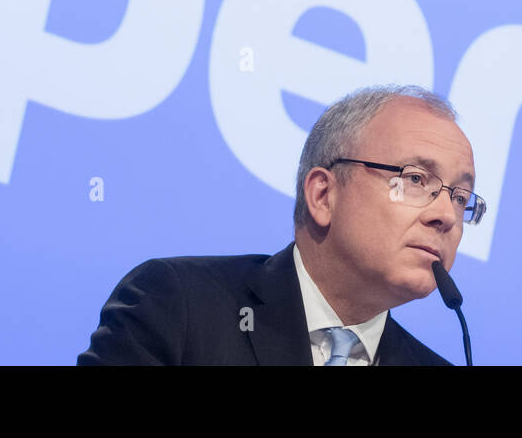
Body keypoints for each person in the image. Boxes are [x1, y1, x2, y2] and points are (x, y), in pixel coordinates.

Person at [76, 84, 486, 365]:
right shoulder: (179, 308)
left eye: (461, 197)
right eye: (415, 179)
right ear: (323, 196)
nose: (446, 216)